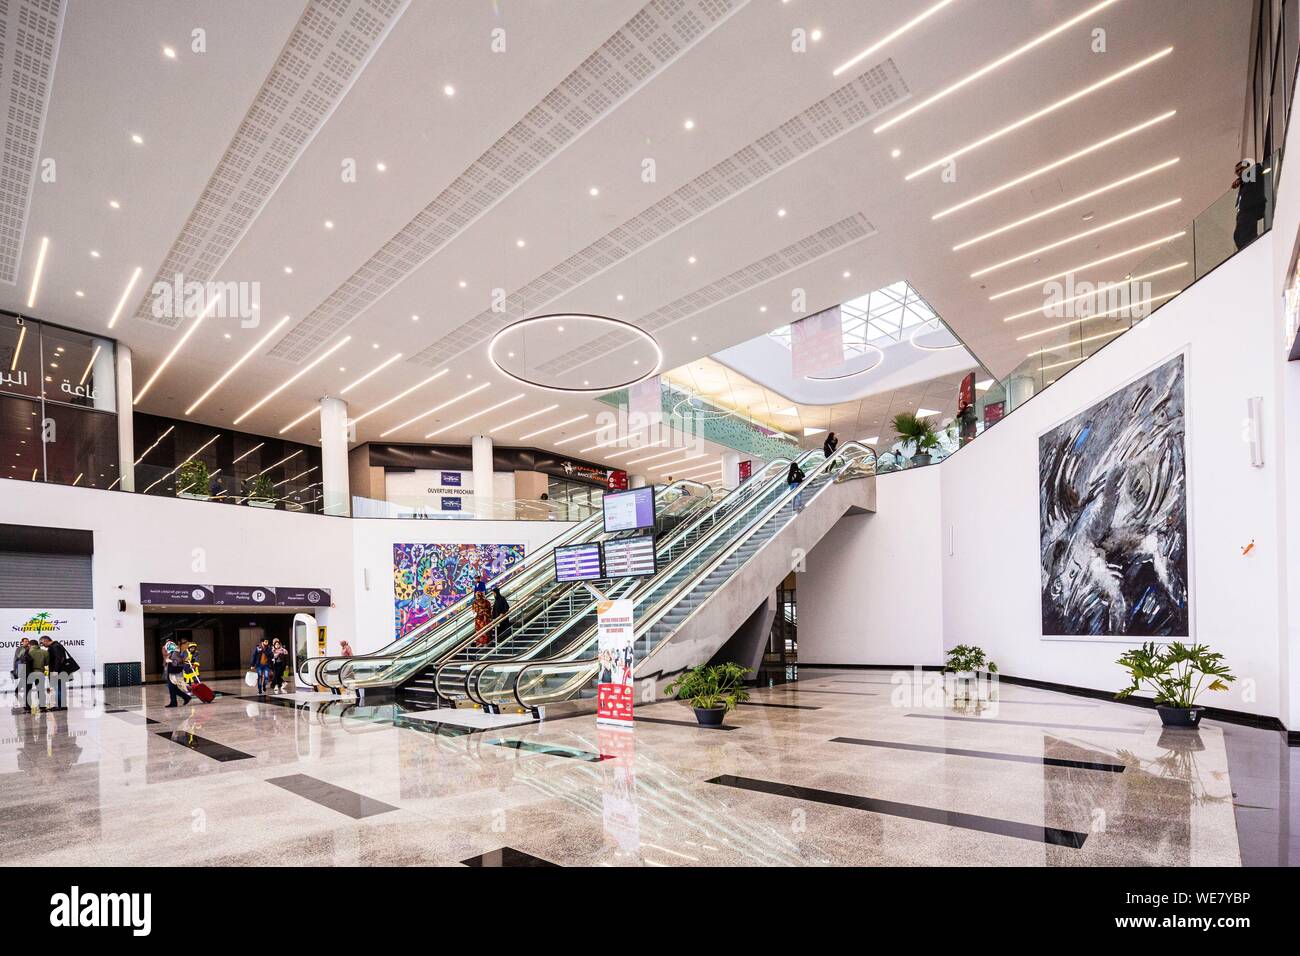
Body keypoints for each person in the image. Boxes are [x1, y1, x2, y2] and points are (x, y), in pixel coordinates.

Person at [1233, 158, 1267, 251]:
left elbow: (1258, 168)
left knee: (1246, 235)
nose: (1239, 172)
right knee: (1237, 236)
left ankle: (1252, 250)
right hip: (1243, 211)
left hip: (1250, 209)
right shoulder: (1245, 181)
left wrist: (1240, 179)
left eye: (1241, 168)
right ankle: (1246, 252)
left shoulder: (1255, 170)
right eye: (1237, 171)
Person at [40, 636, 77, 711]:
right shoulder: (57, 645)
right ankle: (62, 705)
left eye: (42, 643)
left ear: (46, 640)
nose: (42, 645)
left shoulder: (55, 646)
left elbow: (58, 659)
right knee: (61, 688)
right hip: (60, 671)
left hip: (57, 671)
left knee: (58, 689)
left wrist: (55, 671)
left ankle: (59, 706)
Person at [164, 641, 193, 708]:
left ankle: (177, 701)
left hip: (174, 674)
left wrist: (169, 661)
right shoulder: (173, 653)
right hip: (172, 673)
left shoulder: (175, 653)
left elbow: (178, 662)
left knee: (172, 688)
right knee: (173, 689)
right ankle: (179, 700)